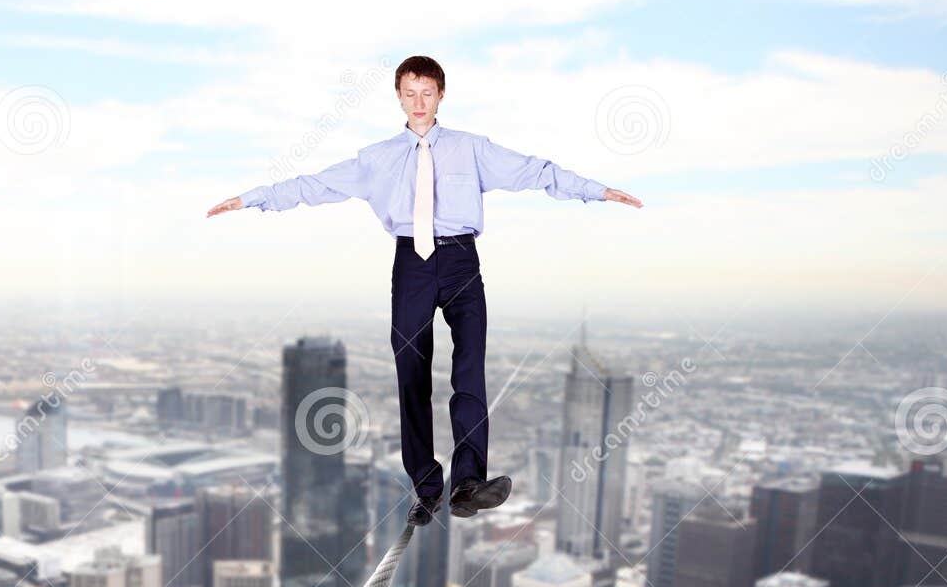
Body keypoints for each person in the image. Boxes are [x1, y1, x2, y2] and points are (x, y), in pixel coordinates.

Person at [208, 54, 642, 523]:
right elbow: (313, 186)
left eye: (427, 93)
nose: (418, 102)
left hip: (461, 261)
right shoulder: (375, 159)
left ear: (441, 96)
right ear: (398, 95)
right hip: (410, 264)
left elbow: (536, 171)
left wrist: (596, 190)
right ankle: (426, 487)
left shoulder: (471, 148)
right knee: (411, 375)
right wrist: (250, 199)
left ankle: (468, 483)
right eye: (410, 93)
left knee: (469, 367)